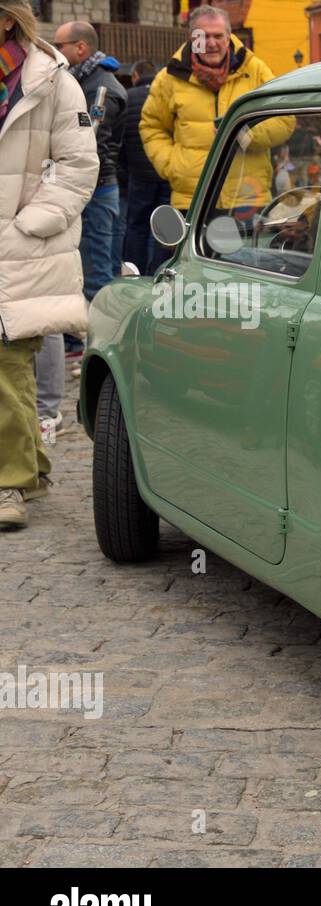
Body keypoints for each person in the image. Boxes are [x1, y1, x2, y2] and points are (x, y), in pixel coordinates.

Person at [0, 0, 98, 530]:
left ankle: (8, 484)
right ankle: (31, 470)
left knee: (7, 361)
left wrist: (31, 223)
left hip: (18, 244)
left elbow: (80, 163)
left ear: (7, 19)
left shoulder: (52, 80)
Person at [140, 5, 286, 215]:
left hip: (247, 197)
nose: (211, 43)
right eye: (203, 36)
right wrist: (172, 167)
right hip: (192, 198)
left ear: (228, 37)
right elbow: (151, 126)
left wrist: (244, 134)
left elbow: (284, 120)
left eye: (218, 36)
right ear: (192, 38)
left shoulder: (254, 71)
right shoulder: (170, 77)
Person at [52, 21, 125, 309]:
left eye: (60, 46)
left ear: (80, 48)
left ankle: (96, 340)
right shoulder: (84, 81)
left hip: (96, 189)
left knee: (97, 270)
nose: (56, 52)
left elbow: (90, 144)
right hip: (91, 188)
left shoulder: (101, 88)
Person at [120, 60, 170, 273]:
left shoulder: (128, 98)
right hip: (166, 172)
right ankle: (159, 271)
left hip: (139, 175)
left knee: (137, 226)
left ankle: (134, 270)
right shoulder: (165, 95)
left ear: (135, 76)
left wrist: (125, 171)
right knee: (165, 229)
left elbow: (120, 140)